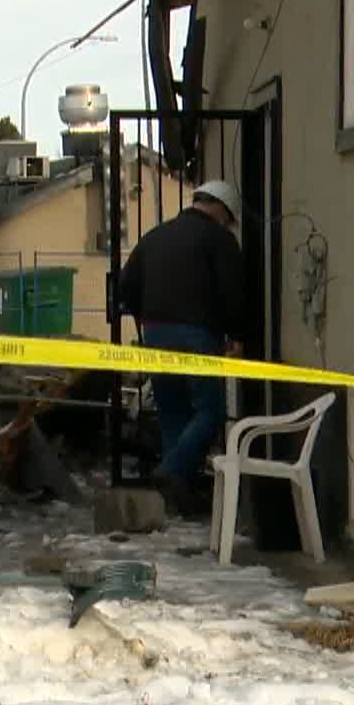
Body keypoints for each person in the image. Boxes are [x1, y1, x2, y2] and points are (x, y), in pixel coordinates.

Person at [116, 179, 245, 516]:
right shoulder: (220, 239)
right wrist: (236, 333)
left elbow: (125, 286)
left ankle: (174, 500)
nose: (228, 224)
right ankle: (171, 472)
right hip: (197, 334)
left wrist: (145, 313)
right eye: (229, 219)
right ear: (221, 209)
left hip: (156, 333)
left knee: (173, 411)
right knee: (211, 411)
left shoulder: (155, 236)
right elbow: (232, 292)